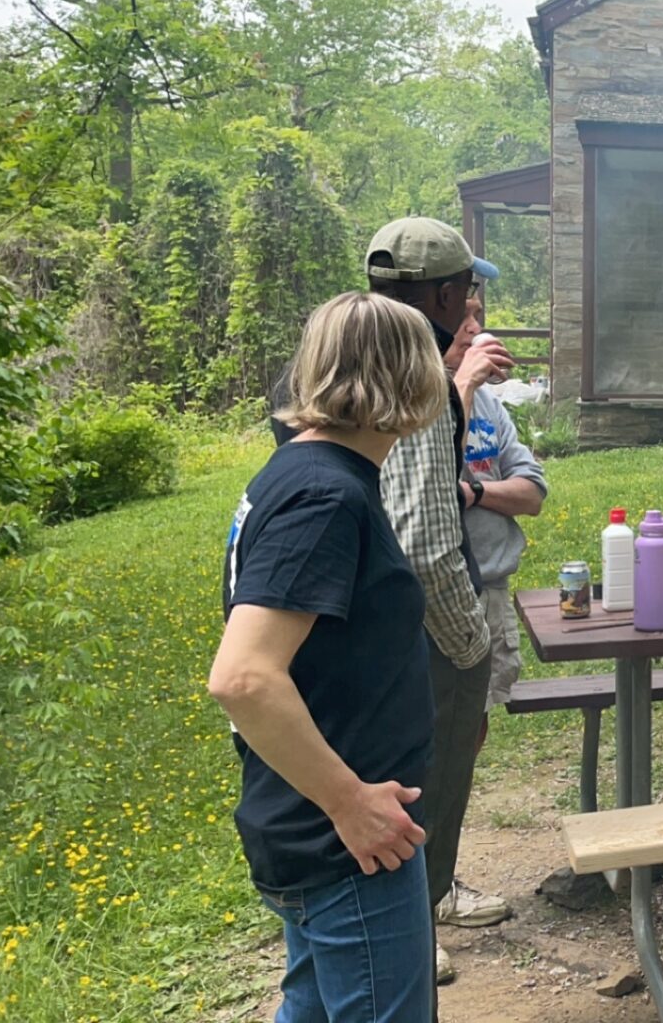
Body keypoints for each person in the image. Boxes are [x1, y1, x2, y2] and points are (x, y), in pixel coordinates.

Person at [211, 292, 450, 1022]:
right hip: (349, 844)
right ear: (411, 381)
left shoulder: (304, 473)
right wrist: (351, 803)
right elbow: (243, 678)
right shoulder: (324, 496)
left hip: (317, 830)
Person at [361, 217, 512, 989]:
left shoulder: (350, 359)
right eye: (469, 287)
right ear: (449, 293)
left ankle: (394, 944)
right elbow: (424, 541)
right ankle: (405, 956)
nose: (471, 299)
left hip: (359, 622)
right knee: (425, 792)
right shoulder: (418, 374)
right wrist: (470, 642)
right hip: (419, 630)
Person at [434, 289, 546, 930]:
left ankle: (438, 881)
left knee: (466, 737)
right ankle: (416, 904)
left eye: (480, 316)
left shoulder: (493, 408)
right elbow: (423, 496)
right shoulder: (415, 403)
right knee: (423, 744)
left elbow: (531, 490)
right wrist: (462, 386)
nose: (475, 330)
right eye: (464, 317)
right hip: (434, 592)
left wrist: (475, 490)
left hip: (490, 593)